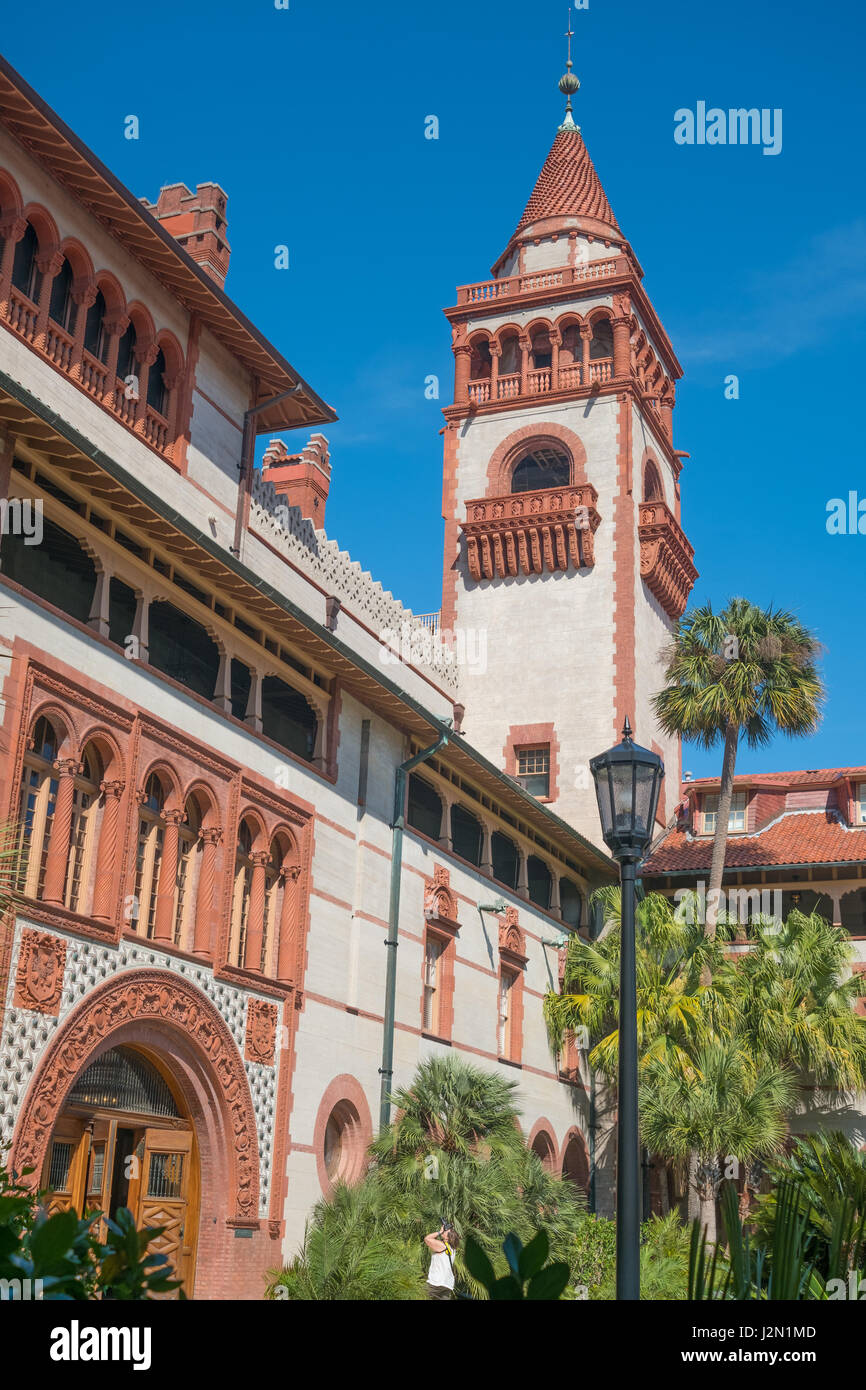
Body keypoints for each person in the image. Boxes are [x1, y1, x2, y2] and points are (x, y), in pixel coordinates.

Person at [424, 1222, 459, 1299]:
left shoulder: (442, 1246)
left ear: (448, 1237)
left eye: (445, 1231)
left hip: (437, 1282)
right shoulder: (452, 1248)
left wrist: (440, 1232)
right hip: (447, 1285)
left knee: (417, 1295)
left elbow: (427, 1239)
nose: (444, 1231)